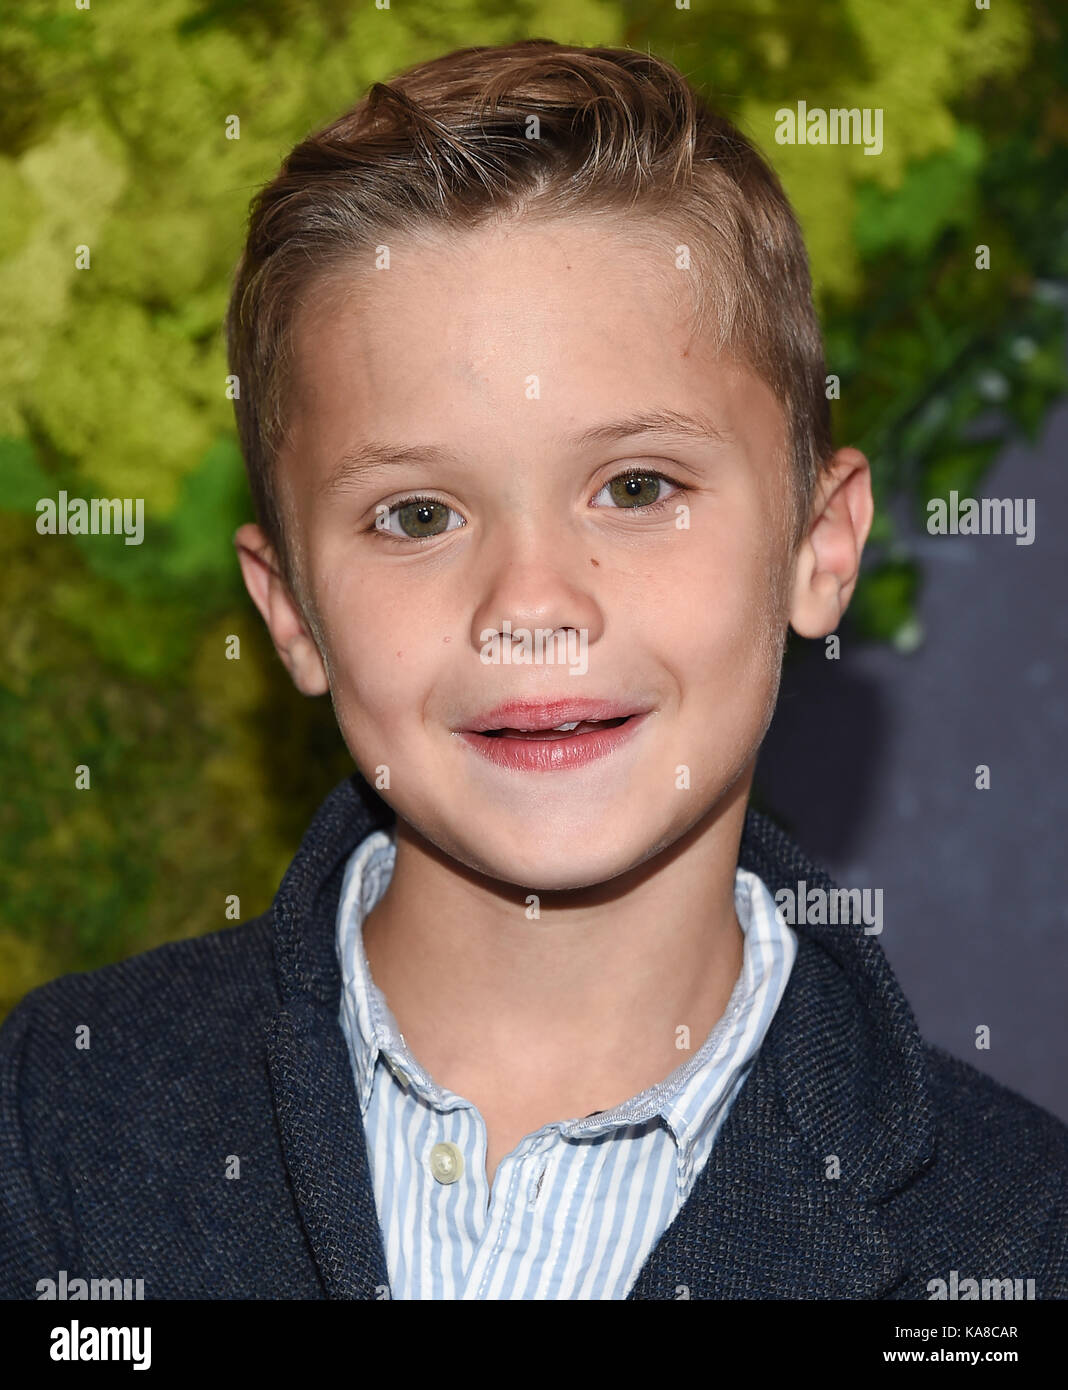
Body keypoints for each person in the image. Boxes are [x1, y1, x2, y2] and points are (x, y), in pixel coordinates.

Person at [2, 39, 1064, 1301]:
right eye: (416, 516)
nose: (531, 607)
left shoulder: (1018, 1240)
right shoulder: (59, 1120)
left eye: (636, 486)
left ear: (819, 545)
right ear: (289, 611)